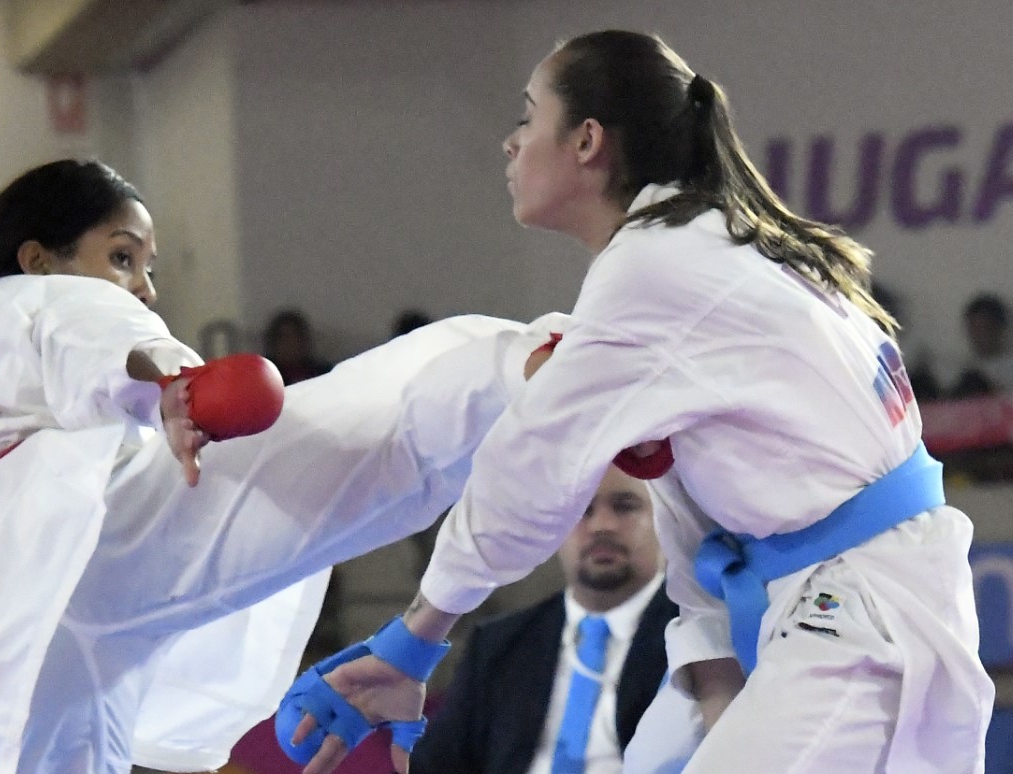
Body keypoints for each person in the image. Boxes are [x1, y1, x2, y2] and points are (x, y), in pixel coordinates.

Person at [278, 30, 992, 774]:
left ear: (587, 141)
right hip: (822, 599)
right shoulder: (706, 247)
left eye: (528, 118)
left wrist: (414, 639)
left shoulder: (659, 268)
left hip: (861, 610)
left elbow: (526, 476)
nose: (510, 143)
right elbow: (694, 501)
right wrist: (714, 676)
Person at [0, 159, 566, 772]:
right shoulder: (35, 301)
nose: (144, 287)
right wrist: (172, 385)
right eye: (122, 257)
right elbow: (105, 337)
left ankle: (526, 378)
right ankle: (527, 368)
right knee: (331, 449)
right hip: (64, 543)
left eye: (148, 267)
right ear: (39, 259)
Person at [410, 464, 677, 773]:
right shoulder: (499, 645)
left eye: (625, 507)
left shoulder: (694, 630)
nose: (602, 525)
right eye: (582, 509)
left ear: (664, 517)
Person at [951, 292, 1012, 398]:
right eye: (975, 329)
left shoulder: (1009, 367)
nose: (980, 335)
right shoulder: (961, 370)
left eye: (986, 328)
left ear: (1000, 328)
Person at [262, 309, 333, 385]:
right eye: (284, 337)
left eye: (295, 337)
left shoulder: (324, 374)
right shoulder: (264, 376)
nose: (291, 343)